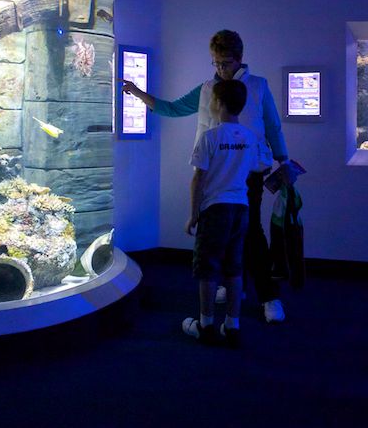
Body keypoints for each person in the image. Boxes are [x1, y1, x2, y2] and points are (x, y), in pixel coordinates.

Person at [121, 29, 289, 323]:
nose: (221, 69)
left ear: (239, 59)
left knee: (250, 233)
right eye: (215, 63)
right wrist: (136, 93)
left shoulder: (259, 87)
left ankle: (269, 295)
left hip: (248, 172)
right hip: (213, 174)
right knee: (220, 234)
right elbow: (171, 108)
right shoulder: (205, 89)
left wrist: (283, 160)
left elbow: (273, 126)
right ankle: (231, 284)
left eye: (225, 63)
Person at [181, 78, 268, 347]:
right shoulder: (250, 137)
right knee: (234, 268)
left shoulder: (210, 137)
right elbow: (257, 167)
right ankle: (232, 325)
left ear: (217, 103)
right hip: (241, 208)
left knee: (208, 269)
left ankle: (206, 324)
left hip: (215, 209)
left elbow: (198, 179)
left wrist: (193, 213)